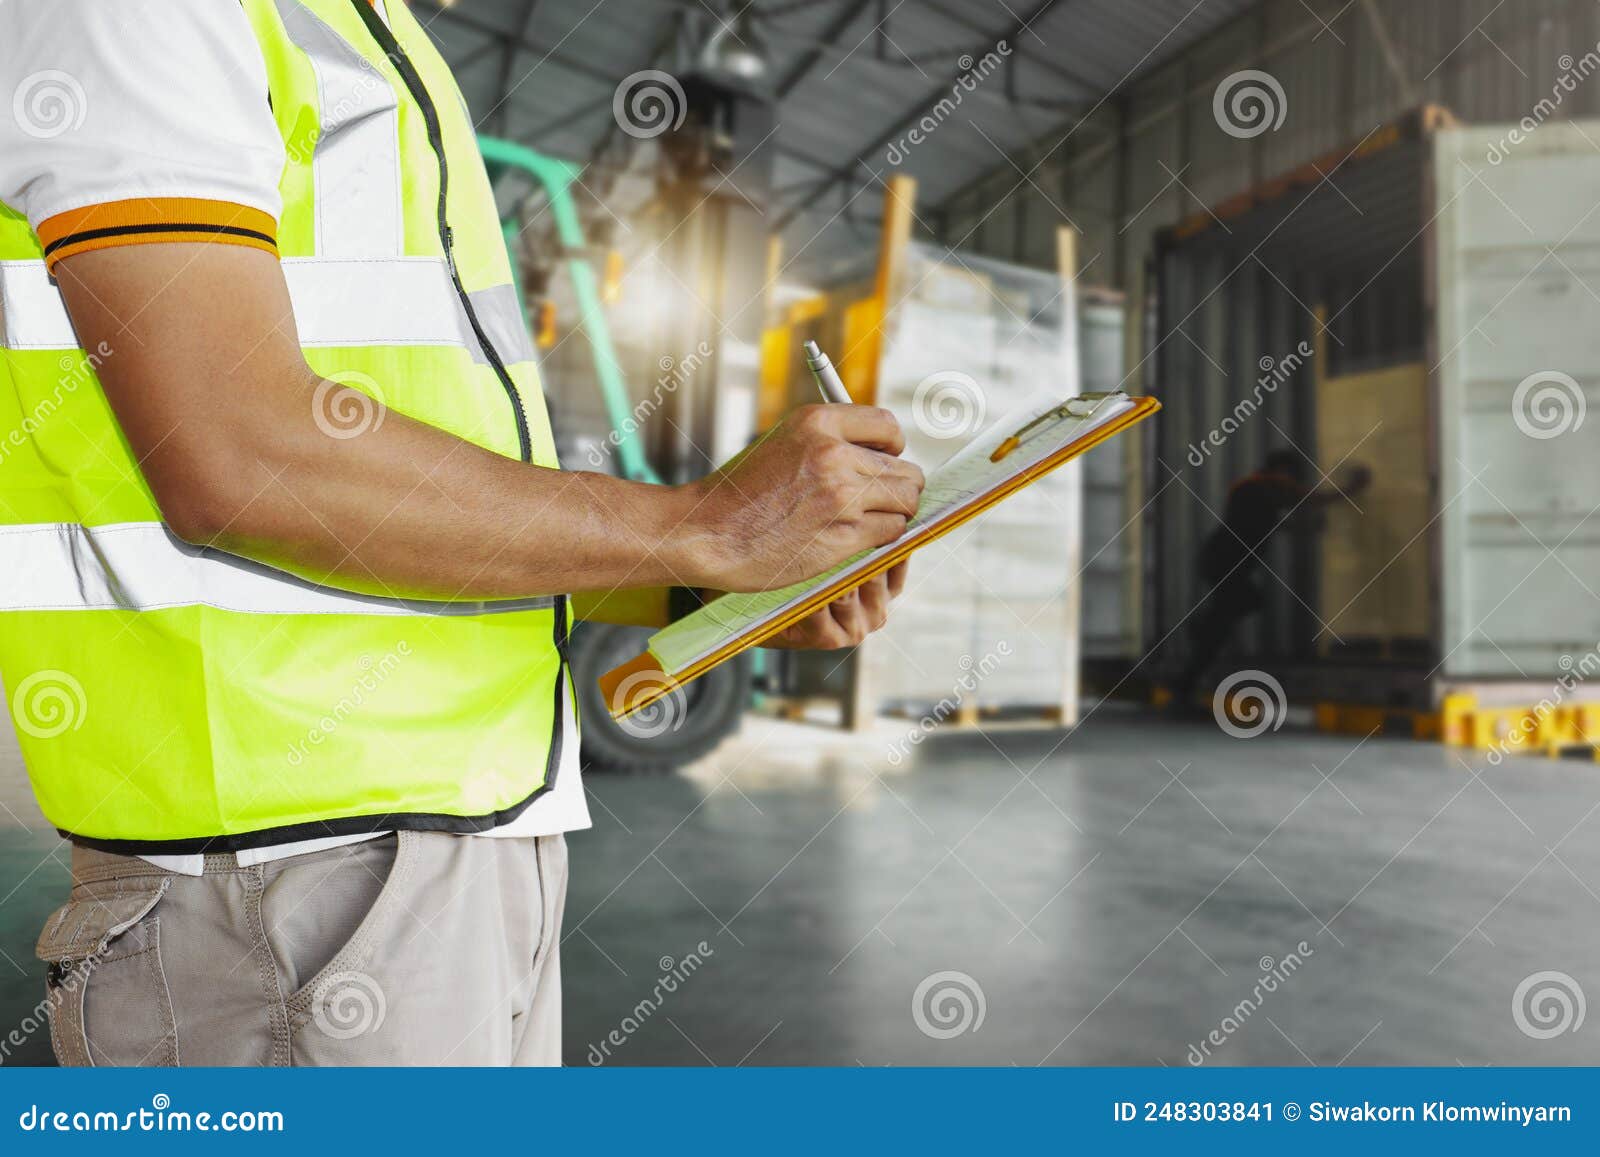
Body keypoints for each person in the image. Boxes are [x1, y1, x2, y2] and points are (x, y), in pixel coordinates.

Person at [0, 0, 922, 1066]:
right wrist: (702, 525)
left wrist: (709, 582)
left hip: (461, 840)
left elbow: (438, 491)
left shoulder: (367, 33)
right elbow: (239, 454)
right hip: (288, 872)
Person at [1171, 449, 1371, 707]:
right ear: (1282, 471)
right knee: (1240, 607)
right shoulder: (1264, 487)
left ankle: (1200, 640)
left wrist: (1308, 529)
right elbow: (1313, 499)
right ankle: (1199, 638)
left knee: (1233, 611)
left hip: (1220, 561)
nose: (1294, 482)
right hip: (1225, 562)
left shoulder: (1251, 489)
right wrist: (1355, 488)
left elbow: (1268, 524)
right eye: (1292, 476)